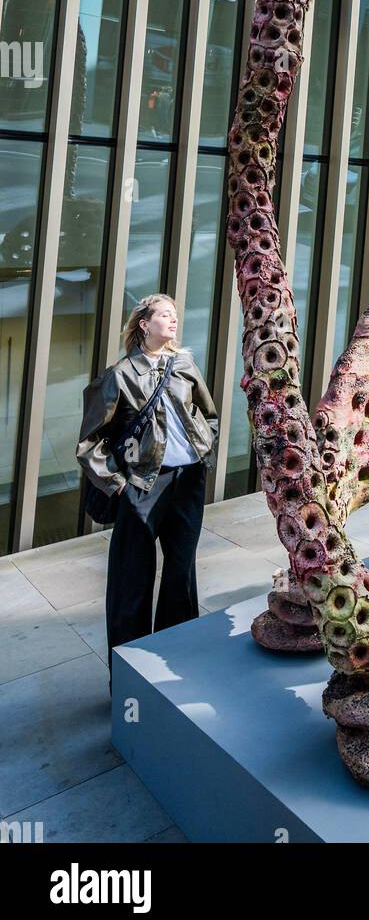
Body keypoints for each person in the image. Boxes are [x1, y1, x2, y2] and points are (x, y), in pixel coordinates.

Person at [76, 293, 219, 695]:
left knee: (181, 573)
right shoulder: (119, 375)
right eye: (165, 315)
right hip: (141, 486)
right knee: (131, 581)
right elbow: (90, 443)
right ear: (144, 323)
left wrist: (206, 446)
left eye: (175, 315)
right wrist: (118, 484)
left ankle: (178, 663)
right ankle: (128, 679)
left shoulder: (185, 364)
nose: (174, 321)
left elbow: (208, 414)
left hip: (188, 481)